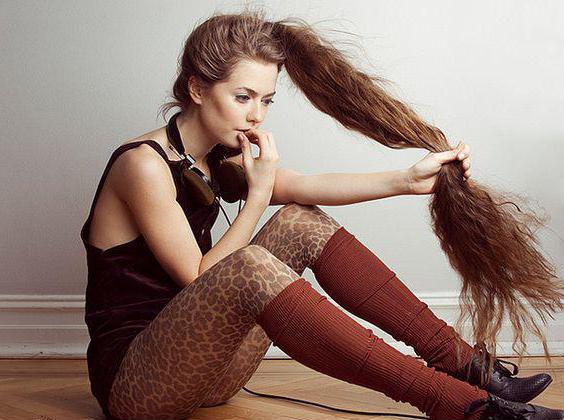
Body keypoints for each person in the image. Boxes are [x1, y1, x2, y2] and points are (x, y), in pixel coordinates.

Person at [80, 9, 563, 420]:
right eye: (243, 97)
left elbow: (305, 188)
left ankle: (467, 366)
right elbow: (198, 278)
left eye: (266, 100)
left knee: (299, 219)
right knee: (249, 265)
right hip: (140, 385)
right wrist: (257, 193)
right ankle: (463, 406)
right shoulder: (142, 164)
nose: (257, 116)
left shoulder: (213, 158)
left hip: (209, 370)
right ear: (198, 89)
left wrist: (405, 180)